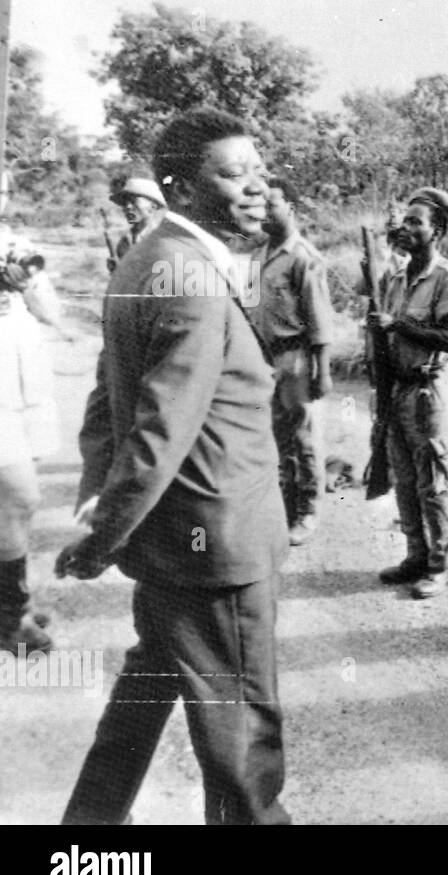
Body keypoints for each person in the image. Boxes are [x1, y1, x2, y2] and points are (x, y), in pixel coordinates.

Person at [58, 107, 291, 825]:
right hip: (212, 551)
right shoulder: (187, 277)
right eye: (233, 173)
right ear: (182, 189)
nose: (257, 186)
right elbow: (160, 431)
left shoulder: (150, 256)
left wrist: (103, 499)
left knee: (138, 706)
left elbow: (108, 397)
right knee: (244, 750)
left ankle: (84, 844)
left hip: (173, 548)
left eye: (256, 168)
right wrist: (103, 536)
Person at [366, 187, 448, 599]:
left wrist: (398, 325)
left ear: (437, 230)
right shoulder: (394, 277)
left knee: (434, 482)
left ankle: (440, 566)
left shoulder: (447, 277)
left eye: (416, 222)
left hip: (430, 390)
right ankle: (415, 556)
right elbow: (381, 334)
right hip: (398, 389)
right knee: (403, 479)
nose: (406, 229)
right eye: (404, 221)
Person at [0, 226, 76, 653]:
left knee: (13, 509)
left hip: (26, 392)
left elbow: (51, 311)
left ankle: (9, 605)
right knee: (19, 498)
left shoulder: (13, 241)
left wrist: (27, 284)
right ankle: (12, 618)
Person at [252, 176, 334, 545]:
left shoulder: (303, 257)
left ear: (291, 209)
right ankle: (283, 508)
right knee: (275, 438)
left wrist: (323, 370)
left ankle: (308, 510)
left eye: (271, 204)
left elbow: (320, 320)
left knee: (305, 439)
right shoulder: (260, 254)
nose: (264, 212)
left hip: (297, 356)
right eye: (260, 206)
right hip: (265, 358)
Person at [108, 176, 167, 270]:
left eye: (133, 201)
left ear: (153, 207)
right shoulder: (125, 243)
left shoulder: (162, 241)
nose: (128, 207)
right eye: (125, 203)